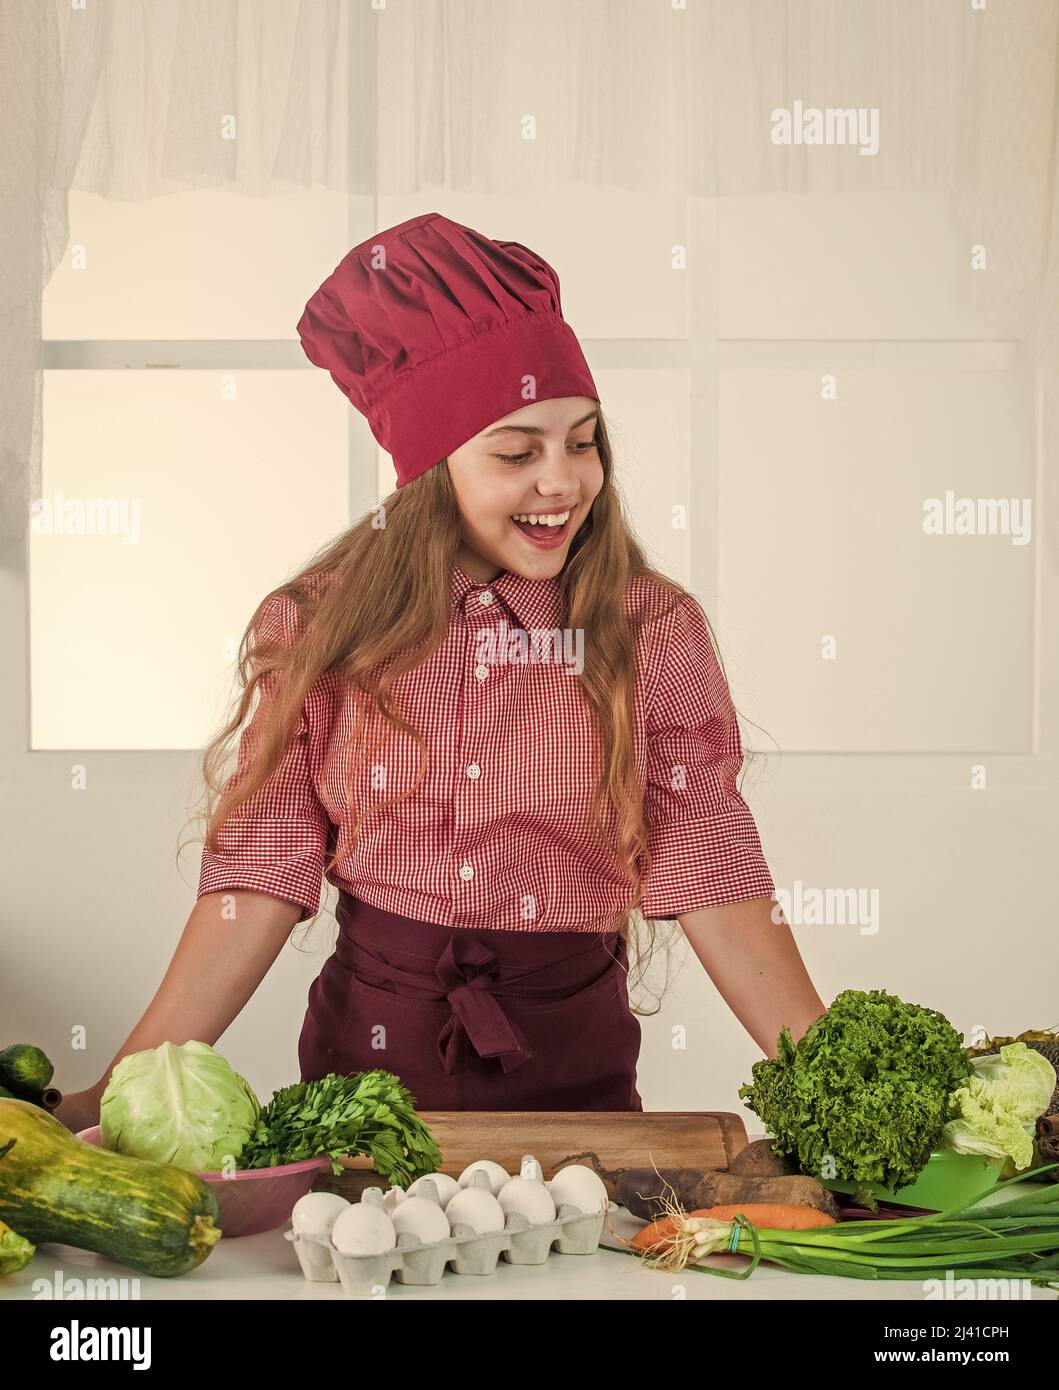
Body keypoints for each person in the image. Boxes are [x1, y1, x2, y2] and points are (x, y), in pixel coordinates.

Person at [55, 212, 824, 1131]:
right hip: (360, 1079)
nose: (563, 483)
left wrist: (830, 1085)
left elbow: (710, 862)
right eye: (516, 452)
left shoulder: (648, 628)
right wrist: (125, 1088)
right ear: (429, 469)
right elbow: (258, 874)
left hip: (576, 1079)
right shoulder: (317, 630)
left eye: (582, 442)